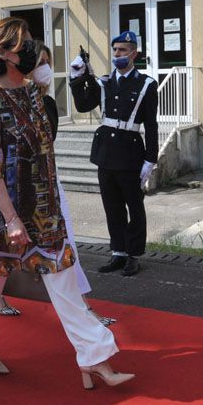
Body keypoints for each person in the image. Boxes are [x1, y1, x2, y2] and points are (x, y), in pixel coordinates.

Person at [0, 16, 132, 389]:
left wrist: (42, 92)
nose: (31, 50)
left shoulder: (30, 92)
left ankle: (95, 359)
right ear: (6, 52)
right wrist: (10, 220)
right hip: (5, 214)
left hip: (45, 209)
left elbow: (44, 146)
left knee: (63, 280)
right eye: (23, 44)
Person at [32, 44, 116, 327]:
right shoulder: (7, 101)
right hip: (18, 188)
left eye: (47, 61)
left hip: (49, 183)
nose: (44, 68)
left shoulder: (47, 104)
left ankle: (82, 307)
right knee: (1, 259)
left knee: (65, 244)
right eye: (39, 62)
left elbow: (48, 144)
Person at [68, 31, 158, 277]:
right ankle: (117, 252)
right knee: (112, 207)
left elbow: (151, 125)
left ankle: (133, 255)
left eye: (123, 50)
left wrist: (151, 159)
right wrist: (77, 78)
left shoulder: (146, 84)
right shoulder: (105, 82)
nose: (118, 54)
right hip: (106, 152)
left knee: (134, 207)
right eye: (115, 50)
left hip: (130, 153)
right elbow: (83, 105)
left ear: (134, 54)